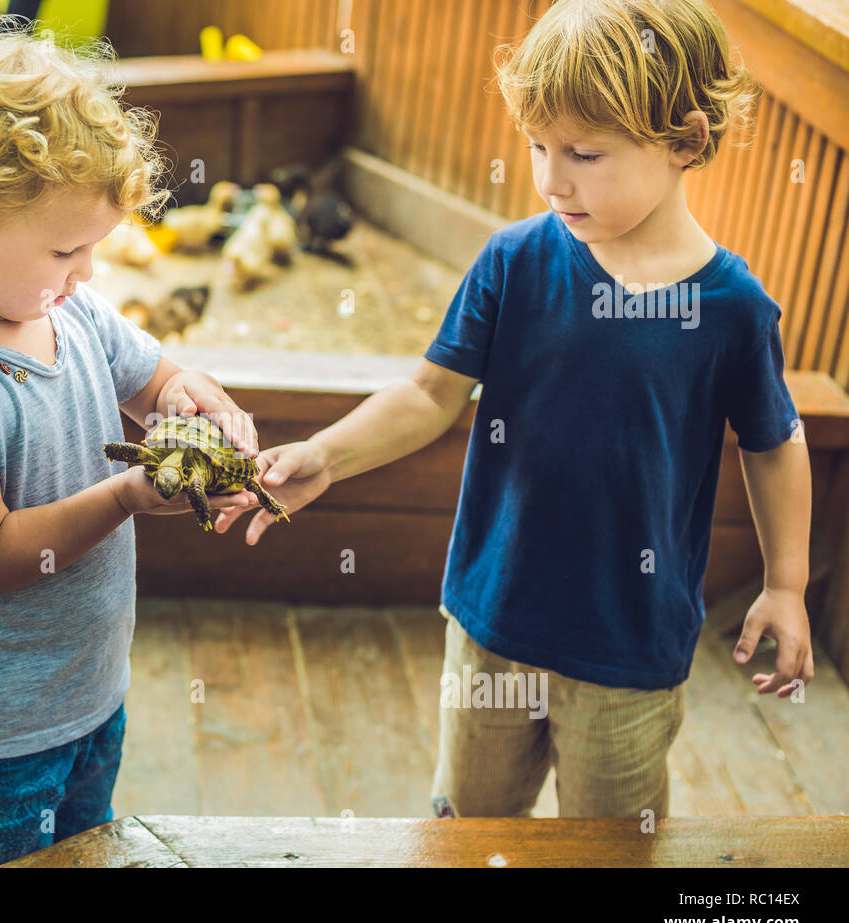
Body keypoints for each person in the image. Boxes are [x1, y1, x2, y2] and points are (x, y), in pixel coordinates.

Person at [215, 0, 812, 820]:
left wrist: (786, 581)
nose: (550, 177)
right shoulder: (515, 261)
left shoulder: (733, 308)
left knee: (611, 843)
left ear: (687, 141)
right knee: (470, 822)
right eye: (537, 146)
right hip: (492, 621)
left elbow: (775, 442)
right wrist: (326, 452)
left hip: (630, 650)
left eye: (584, 153)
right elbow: (429, 394)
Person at [0, 25, 262, 866]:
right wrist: (126, 496)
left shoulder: (63, 308)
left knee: (84, 846)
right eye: (66, 250)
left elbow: (155, 377)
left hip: (90, 687)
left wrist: (195, 396)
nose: (85, 275)